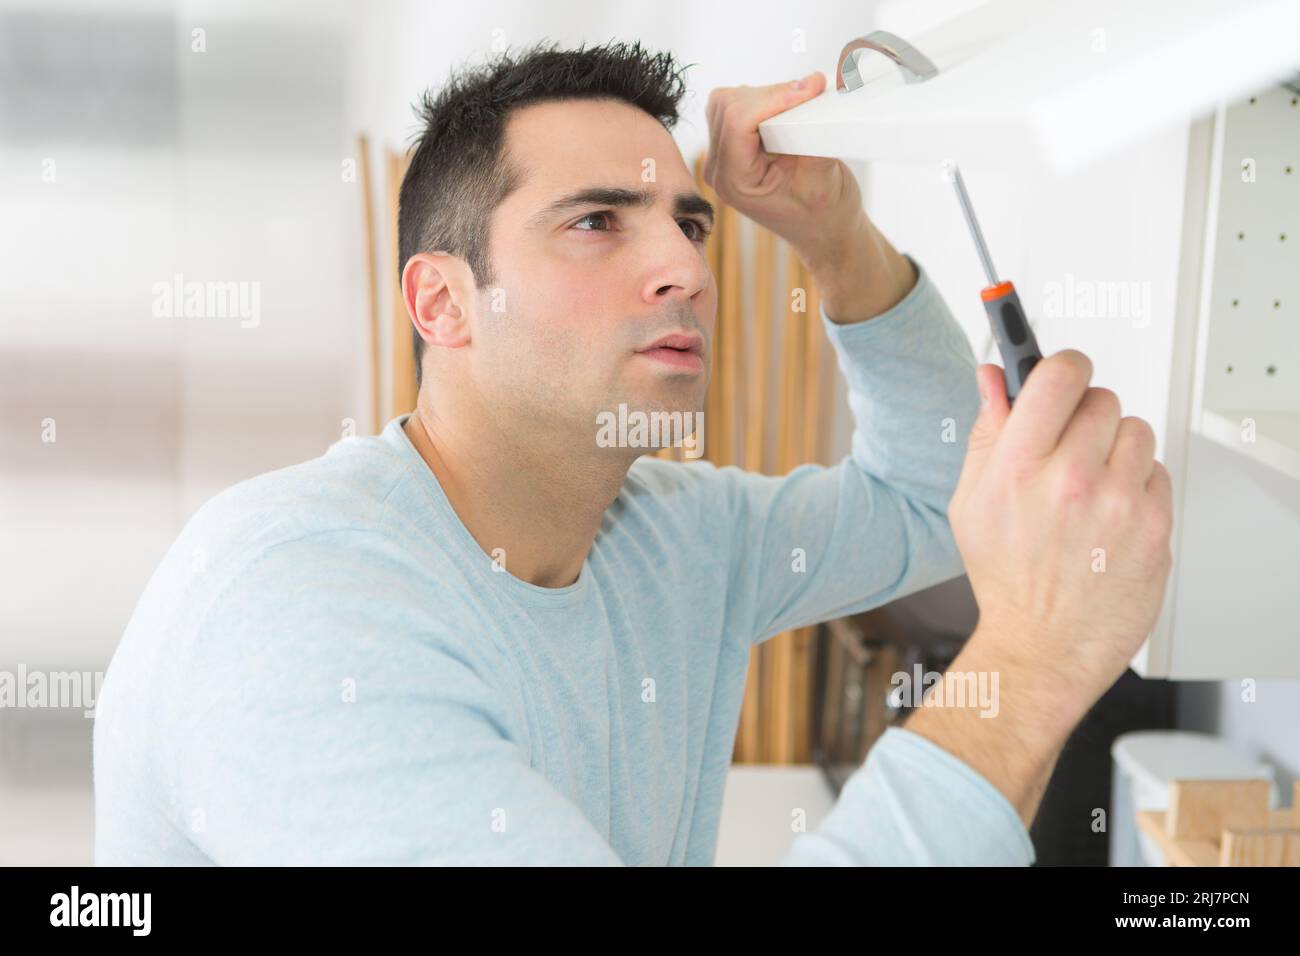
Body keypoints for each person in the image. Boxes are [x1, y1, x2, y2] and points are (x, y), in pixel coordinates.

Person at [93, 40, 1172, 865]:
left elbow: (931, 492)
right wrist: (1028, 670)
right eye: (598, 222)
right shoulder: (300, 605)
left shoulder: (661, 531)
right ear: (443, 302)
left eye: (691, 225)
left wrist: (835, 239)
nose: (684, 270)